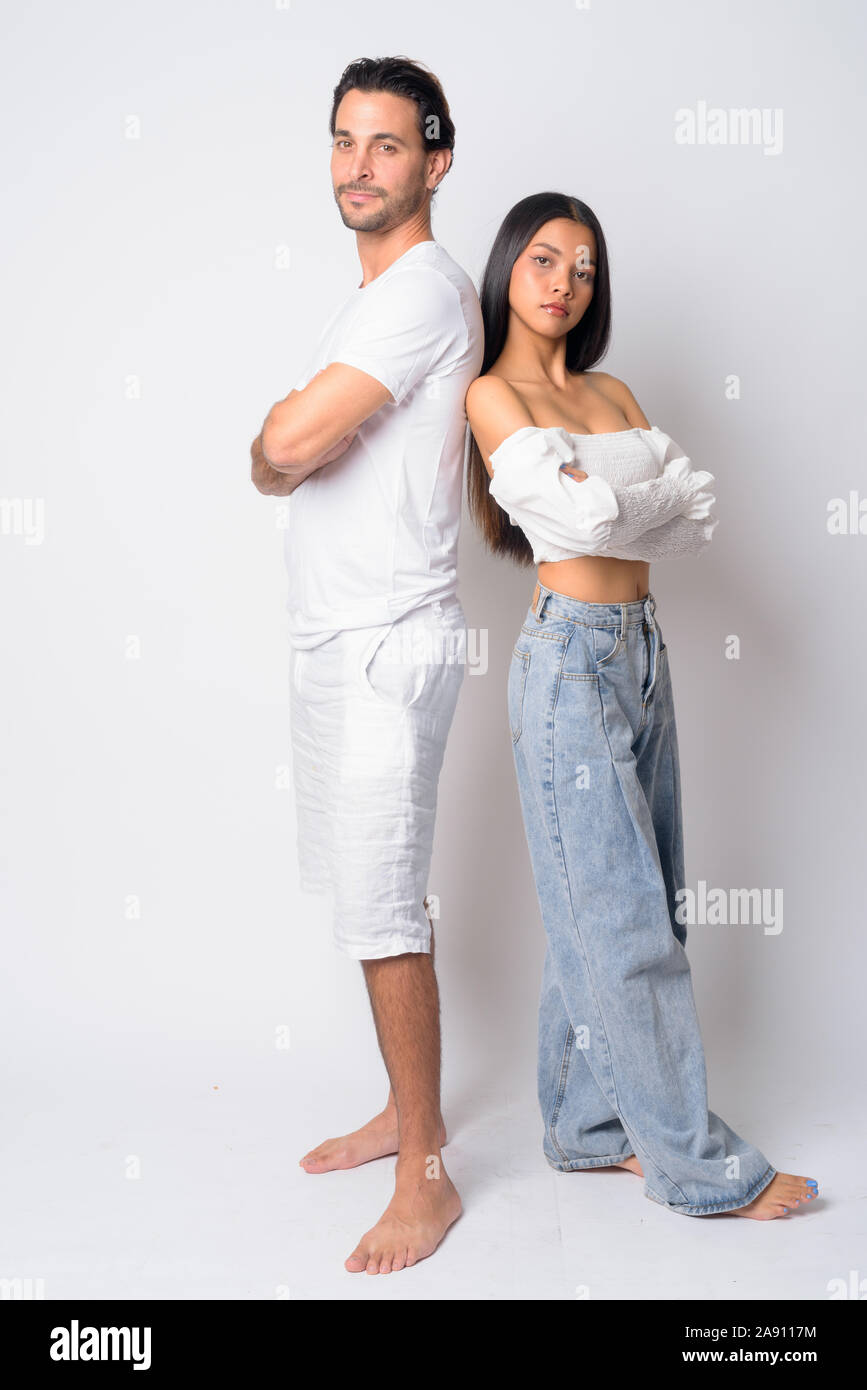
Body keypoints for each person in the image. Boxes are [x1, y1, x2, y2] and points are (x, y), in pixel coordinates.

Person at [465, 191, 818, 1219]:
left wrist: (618, 501)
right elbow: (580, 515)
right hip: (568, 663)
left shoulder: (610, 389)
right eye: (542, 259)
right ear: (508, 270)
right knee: (621, 921)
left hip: (643, 655)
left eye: (581, 266)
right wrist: (626, 497)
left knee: (631, 901)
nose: (563, 281)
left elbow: (688, 516)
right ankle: (700, 1169)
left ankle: (586, 1127)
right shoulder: (492, 396)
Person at [250, 57, 483, 1272]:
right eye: (345, 139)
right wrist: (285, 446)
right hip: (335, 638)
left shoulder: (424, 290)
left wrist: (288, 438)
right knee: (364, 896)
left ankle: (427, 1173)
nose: (358, 164)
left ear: (434, 162)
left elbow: (283, 439)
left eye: (386, 144)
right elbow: (277, 456)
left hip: (392, 641)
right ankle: (404, 1111)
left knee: (386, 905)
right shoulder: (368, 299)